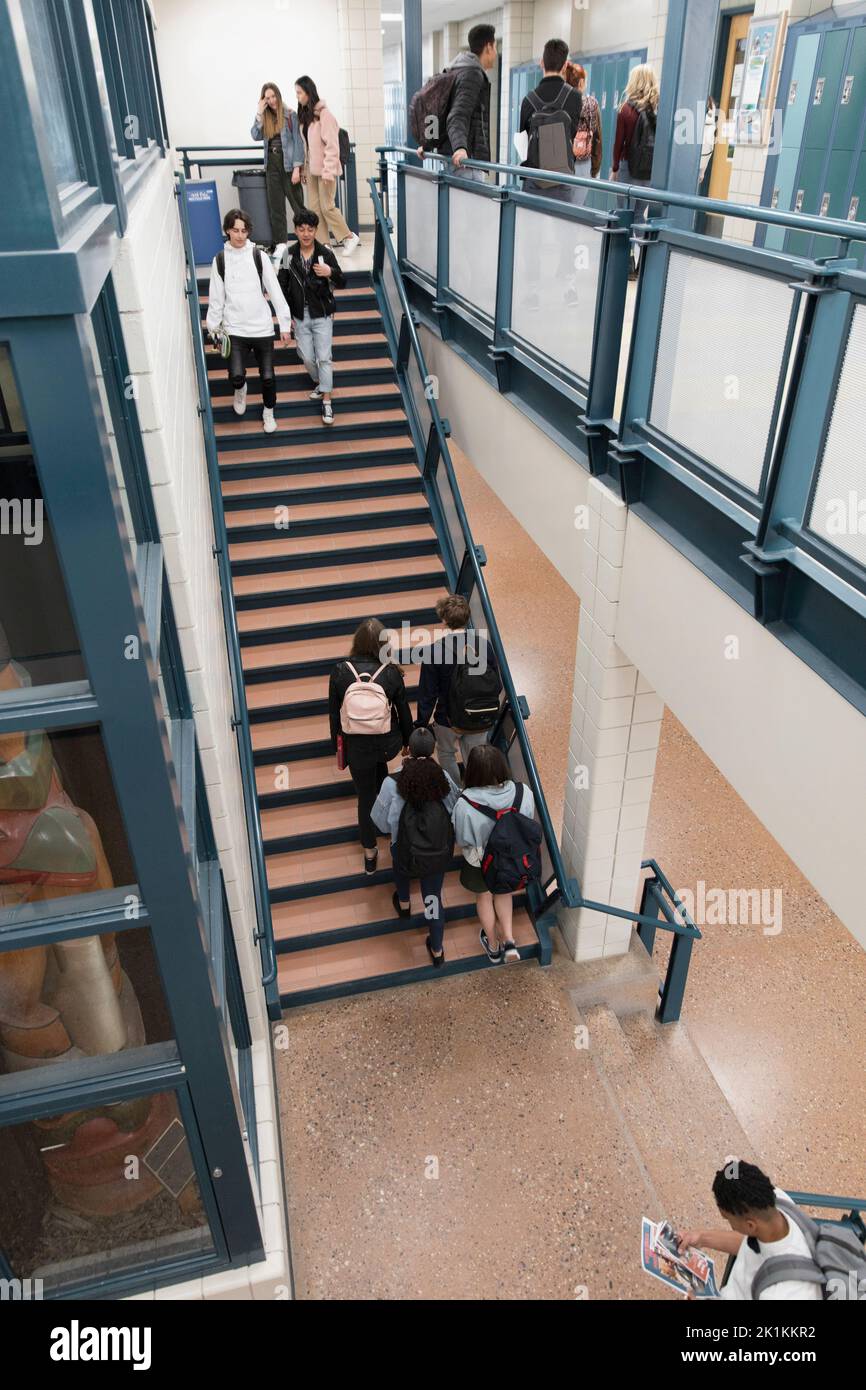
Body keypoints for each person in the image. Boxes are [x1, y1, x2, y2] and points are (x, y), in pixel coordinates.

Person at [328, 618, 413, 875]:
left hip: (356, 746)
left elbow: (334, 714)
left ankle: (369, 851)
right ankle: (387, 825)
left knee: (365, 796)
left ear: (357, 642)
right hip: (385, 744)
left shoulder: (340, 672)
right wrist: (407, 741)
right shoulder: (390, 672)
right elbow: (404, 712)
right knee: (383, 781)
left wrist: (338, 745)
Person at [371, 727, 460, 966]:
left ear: (407, 749)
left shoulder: (392, 782)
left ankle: (403, 904)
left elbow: (379, 822)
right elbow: (454, 809)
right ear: (433, 750)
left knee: (399, 868)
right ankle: (438, 949)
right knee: (433, 898)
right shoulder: (444, 777)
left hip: (404, 849)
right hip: (435, 851)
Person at [678, 1161, 823, 1301]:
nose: (730, 1225)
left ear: (750, 1226)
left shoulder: (783, 1294)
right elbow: (748, 1245)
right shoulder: (772, 1202)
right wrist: (701, 1238)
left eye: (728, 1219)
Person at [205, 208, 292, 435]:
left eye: (244, 231)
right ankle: (240, 389)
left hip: (261, 327)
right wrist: (213, 328)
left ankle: (268, 412)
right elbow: (216, 297)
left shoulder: (258, 256)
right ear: (227, 231)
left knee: (268, 377)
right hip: (234, 328)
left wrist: (284, 324)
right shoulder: (220, 260)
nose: (240, 235)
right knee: (235, 375)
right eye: (235, 230)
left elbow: (275, 290)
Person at [452, 745, 535, 964]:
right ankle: (509, 940)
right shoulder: (523, 791)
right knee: (504, 893)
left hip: (480, 862)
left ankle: (493, 944)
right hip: (512, 859)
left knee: (484, 897)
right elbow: (528, 821)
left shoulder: (465, 802)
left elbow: (463, 839)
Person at [415, 594, 500, 786]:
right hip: (478, 714)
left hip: (447, 718)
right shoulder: (483, 645)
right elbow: (496, 682)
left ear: (444, 620)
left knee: (446, 753)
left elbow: (427, 693)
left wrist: (421, 722)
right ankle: (474, 794)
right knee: (476, 757)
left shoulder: (435, 650)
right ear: (467, 618)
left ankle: (454, 792)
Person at [282, 209, 346, 427]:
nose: (306, 234)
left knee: (324, 357)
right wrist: (287, 315)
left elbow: (343, 280)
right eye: (302, 229)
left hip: (322, 313)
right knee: (306, 356)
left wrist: (330, 272)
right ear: (296, 230)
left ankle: (327, 402)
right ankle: (320, 382)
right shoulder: (287, 255)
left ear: (316, 230)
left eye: (310, 229)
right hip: (300, 315)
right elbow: (282, 286)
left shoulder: (325, 254)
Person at [295, 76, 360, 255]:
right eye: (297, 93)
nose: (298, 96)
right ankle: (324, 246)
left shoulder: (325, 115)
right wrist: (303, 170)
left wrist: (329, 171)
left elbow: (332, 146)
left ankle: (349, 237)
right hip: (311, 170)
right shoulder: (306, 117)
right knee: (315, 210)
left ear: (309, 93)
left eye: (300, 93)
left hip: (326, 171)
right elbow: (306, 147)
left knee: (327, 207)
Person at [518, 39, 583, 202]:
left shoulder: (528, 100)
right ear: (565, 65)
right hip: (563, 180)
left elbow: (522, 143)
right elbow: (572, 136)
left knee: (530, 226)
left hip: (533, 179)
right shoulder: (575, 97)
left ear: (541, 63)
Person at [611, 63, 660, 277]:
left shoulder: (626, 110)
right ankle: (640, 261)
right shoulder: (658, 110)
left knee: (625, 215)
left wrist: (614, 169)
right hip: (649, 172)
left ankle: (626, 262)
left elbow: (618, 144)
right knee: (640, 215)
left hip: (627, 169)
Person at [250, 82, 305, 252]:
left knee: (298, 207)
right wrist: (259, 112)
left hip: (288, 165)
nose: (272, 100)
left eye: (273, 96)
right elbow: (255, 135)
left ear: (278, 96)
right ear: (264, 100)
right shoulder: (264, 116)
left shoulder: (290, 115)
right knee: (276, 209)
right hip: (271, 166)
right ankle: (281, 247)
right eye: (267, 98)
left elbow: (298, 143)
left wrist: (297, 168)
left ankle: (306, 243)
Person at [439, 24, 497, 180]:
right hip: (466, 164)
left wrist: (427, 143)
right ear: (488, 47)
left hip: (457, 160)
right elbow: (457, 115)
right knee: (472, 204)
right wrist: (460, 148)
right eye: (495, 47)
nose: (496, 53)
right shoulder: (473, 74)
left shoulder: (458, 70)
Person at [564, 62, 602, 206]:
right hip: (583, 162)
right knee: (577, 207)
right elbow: (597, 138)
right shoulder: (591, 103)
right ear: (581, 82)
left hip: (563, 161)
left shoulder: (561, 102)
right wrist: (595, 167)